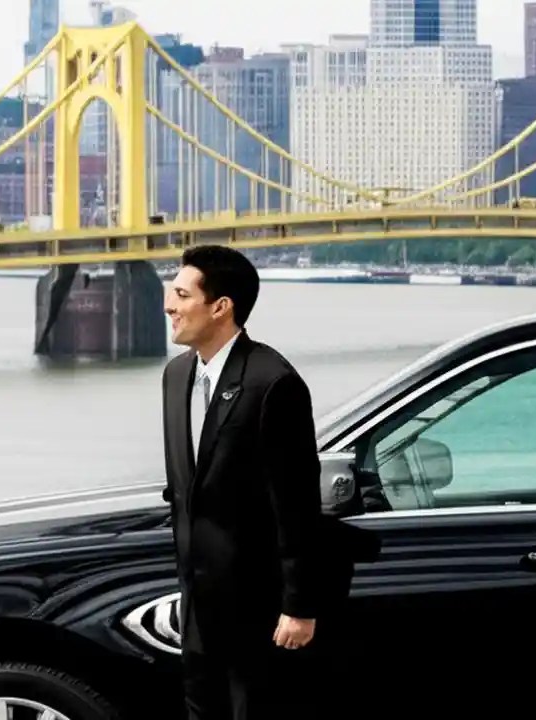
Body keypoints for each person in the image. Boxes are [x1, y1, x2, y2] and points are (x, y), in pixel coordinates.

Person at [160, 244, 352, 719]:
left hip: (259, 610)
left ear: (220, 307)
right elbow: (185, 490)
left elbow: (296, 502)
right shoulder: (175, 375)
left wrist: (299, 606)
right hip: (197, 608)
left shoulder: (274, 382)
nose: (169, 305)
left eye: (182, 295)